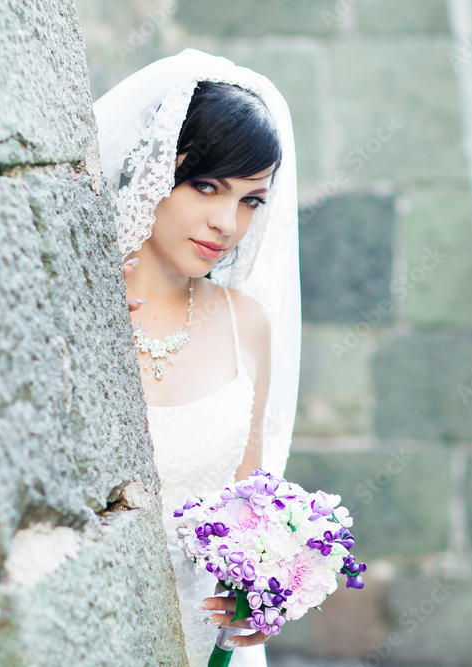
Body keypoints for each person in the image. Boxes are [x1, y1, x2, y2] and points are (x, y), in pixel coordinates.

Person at [93, 50, 300, 666]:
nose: (226, 222)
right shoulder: (82, 311)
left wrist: (264, 590)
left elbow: (251, 501)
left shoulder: (248, 325)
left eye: (249, 200)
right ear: (155, 170)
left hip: (203, 642)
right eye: (207, 186)